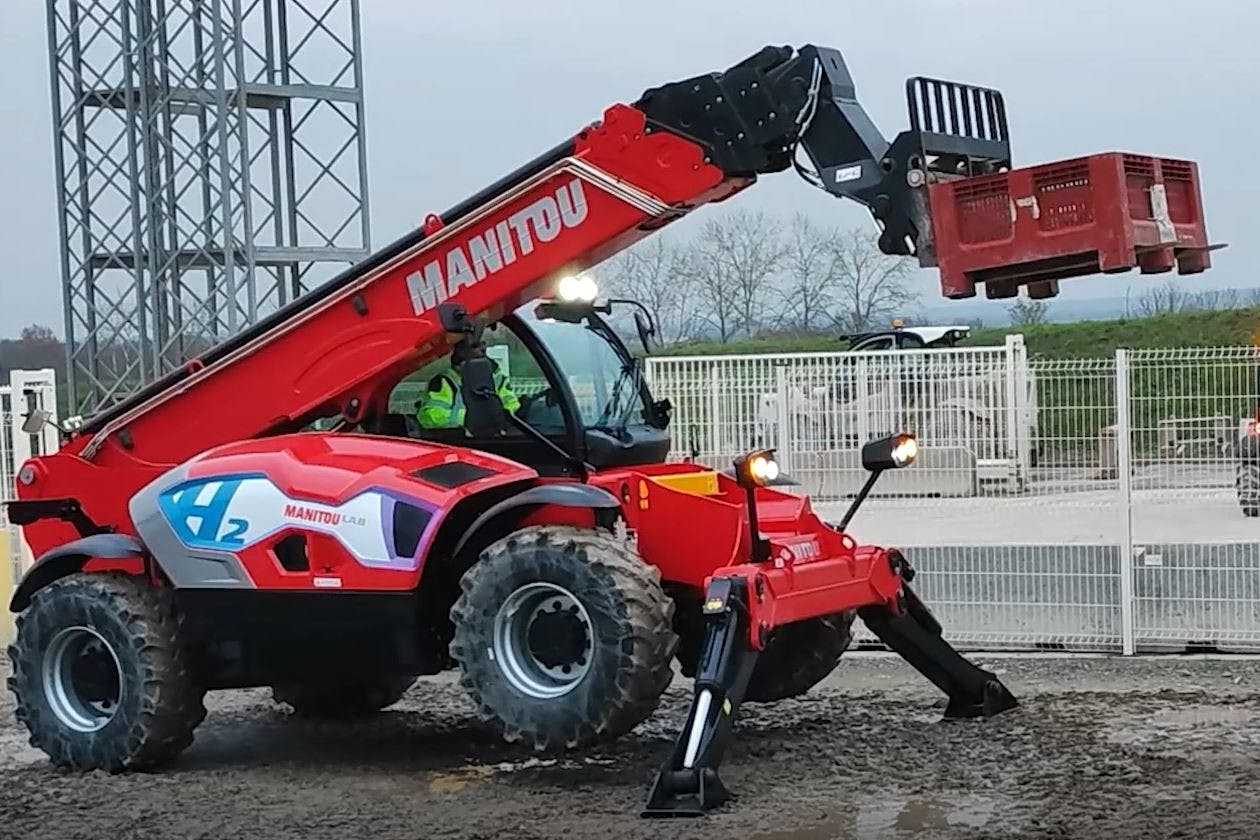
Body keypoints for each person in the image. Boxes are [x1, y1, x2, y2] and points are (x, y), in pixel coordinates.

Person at [415, 348, 521, 430]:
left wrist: (501, 418)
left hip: (497, 436)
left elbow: (513, 405)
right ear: (459, 365)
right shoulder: (444, 382)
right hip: (458, 442)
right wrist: (469, 418)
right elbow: (430, 416)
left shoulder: (497, 377)